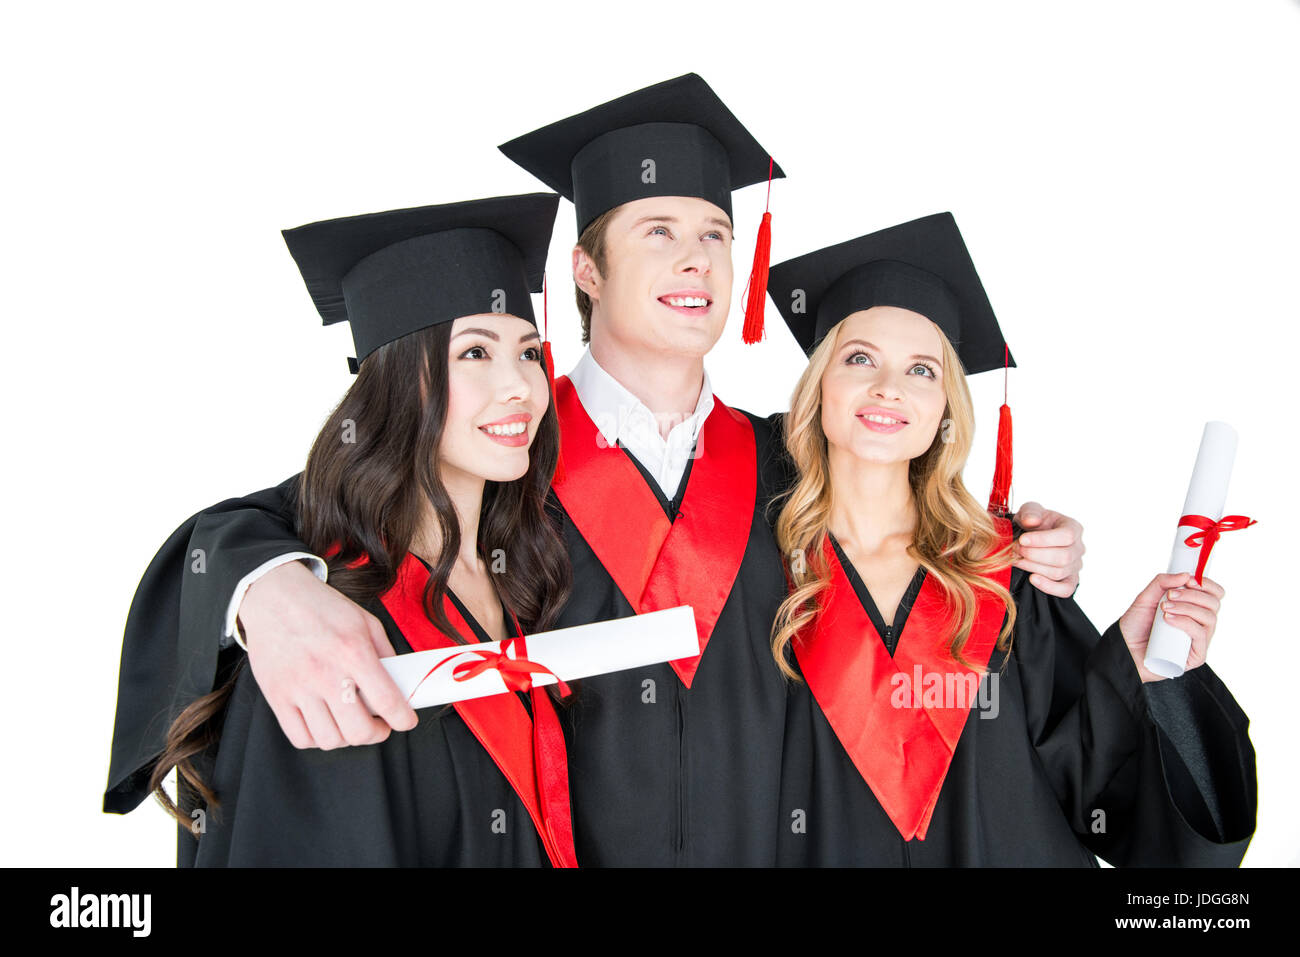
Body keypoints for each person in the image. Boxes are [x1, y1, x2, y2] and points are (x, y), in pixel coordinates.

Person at [105, 76, 1086, 866]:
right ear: (582, 271)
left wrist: (1024, 545)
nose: (695, 259)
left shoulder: (797, 476)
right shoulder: (491, 455)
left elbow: (920, 586)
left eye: (714, 235)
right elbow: (286, 517)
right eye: (656, 232)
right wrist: (263, 588)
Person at [765, 212, 1257, 865]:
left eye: (922, 370)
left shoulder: (1005, 570)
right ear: (819, 385)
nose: (889, 387)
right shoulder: (762, 566)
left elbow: (1086, 786)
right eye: (860, 358)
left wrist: (1143, 668)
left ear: (946, 408)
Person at [111, 193, 580, 866]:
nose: (519, 386)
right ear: (393, 382)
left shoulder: (530, 569)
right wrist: (260, 587)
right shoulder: (320, 641)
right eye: (474, 353)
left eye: (529, 352)